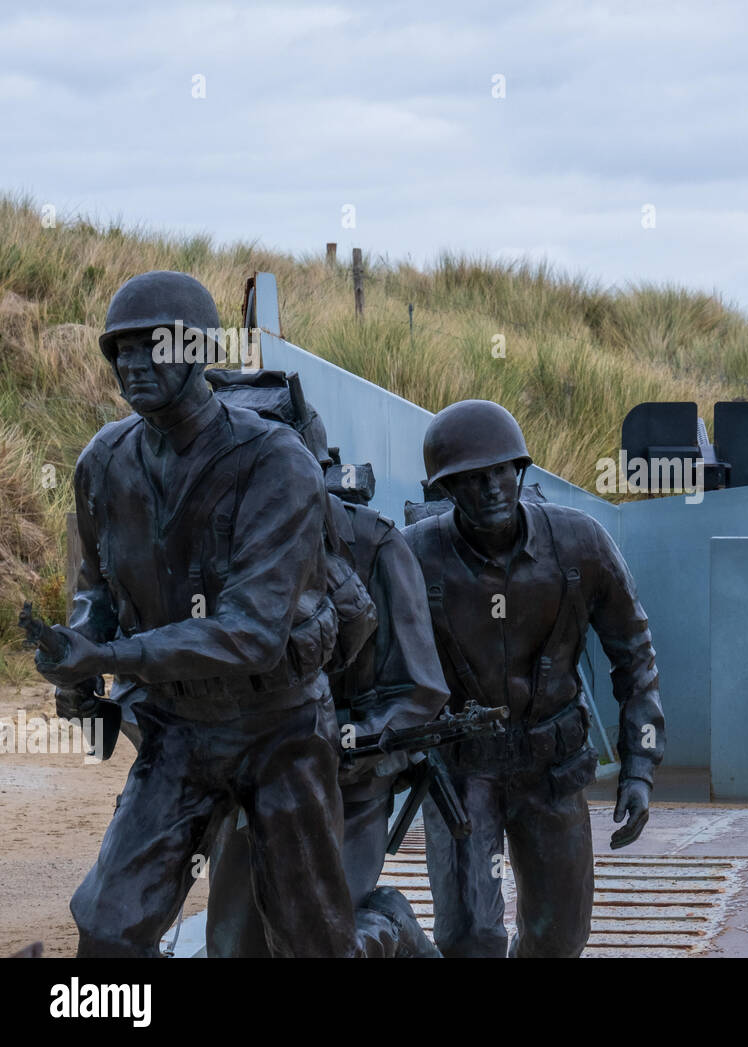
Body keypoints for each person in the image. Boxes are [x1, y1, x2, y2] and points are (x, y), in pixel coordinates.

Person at [35, 270, 426, 958]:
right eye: (118, 351)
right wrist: (77, 653)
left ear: (198, 350)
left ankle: (386, 925)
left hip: (279, 725)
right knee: (108, 932)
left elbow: (251, 633)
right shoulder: (103, 461)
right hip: (176, 729)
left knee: (311, 944)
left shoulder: (274, 462)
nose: (131, 363)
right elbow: (97, 588)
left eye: (150, 346)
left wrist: (109, 658)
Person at [402, 399, 665, 957]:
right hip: (462, 773)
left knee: (558, 937)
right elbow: (379, 668)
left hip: (552, 768)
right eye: (473, 479)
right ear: (446, 490)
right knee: (469, 938)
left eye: (502, 472)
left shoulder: (582, 544)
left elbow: (635, 658)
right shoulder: (414, 558)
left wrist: (639, 768)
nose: (493, 488)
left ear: (520, 471)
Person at [205, 423, 450, 958]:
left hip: (348, 789)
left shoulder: (375, 546)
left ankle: (390, 924)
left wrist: (355, 737)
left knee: (320, 943)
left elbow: (421, 692)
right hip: (250, 786)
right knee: (233, 949)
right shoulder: (212, 551)